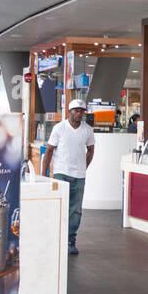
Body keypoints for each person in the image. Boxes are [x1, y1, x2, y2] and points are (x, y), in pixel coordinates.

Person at [43, 99, 94, 255]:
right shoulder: (59, 128)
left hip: (79, 176)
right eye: (76, 110)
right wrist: (44, 173)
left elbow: (91, 150)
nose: (79, 113)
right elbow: (50, 150)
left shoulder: (87, 130)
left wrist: (83, 167)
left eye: (81, 111)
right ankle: (55, 237)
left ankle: (70, 239)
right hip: (61, 173)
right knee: (59, 206)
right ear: (69, 111)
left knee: (76, 210)